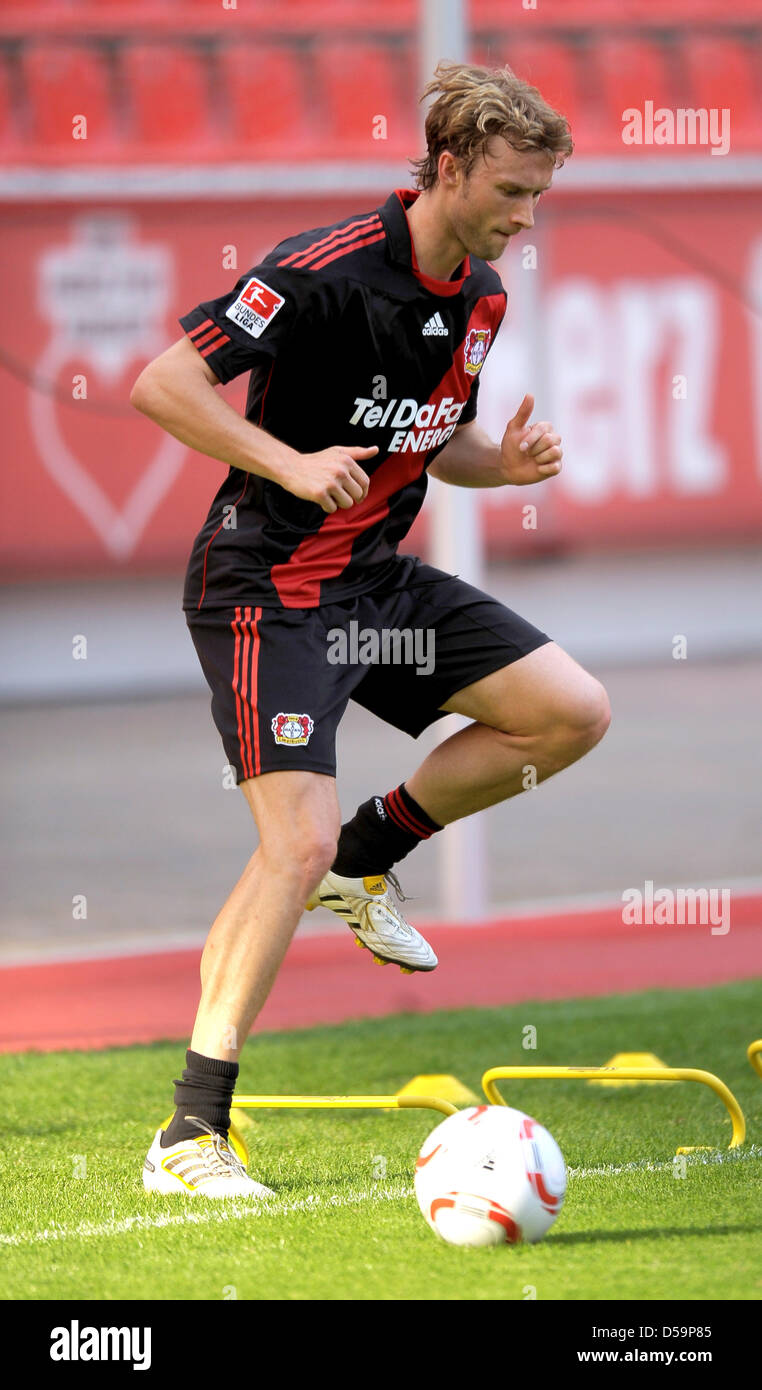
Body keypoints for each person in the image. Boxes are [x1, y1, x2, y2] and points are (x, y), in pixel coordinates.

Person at [130, 61, 610, 1197]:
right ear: (447, 165)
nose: (525, 218)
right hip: (268, 584)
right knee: (282, 846)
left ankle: (371, 853)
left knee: (570, 714)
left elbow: (433, 439)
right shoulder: (323, 270)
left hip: (376, 580)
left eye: (539, 196)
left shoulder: (482, 295)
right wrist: (289, 459)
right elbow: (161, 383)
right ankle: (188, 1135)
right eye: (510, 190)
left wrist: (507, 466)